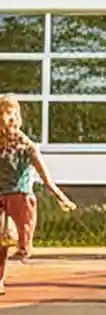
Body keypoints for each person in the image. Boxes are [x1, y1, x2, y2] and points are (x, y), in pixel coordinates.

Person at [0, 94, 76, 296]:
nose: (4, 119)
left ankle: (24, 246)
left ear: (15, 117)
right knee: (2, 238)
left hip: (21, 195)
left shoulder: (28, 147)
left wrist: (61, 196)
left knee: (22, 235)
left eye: (8, 113)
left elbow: (45, 177)